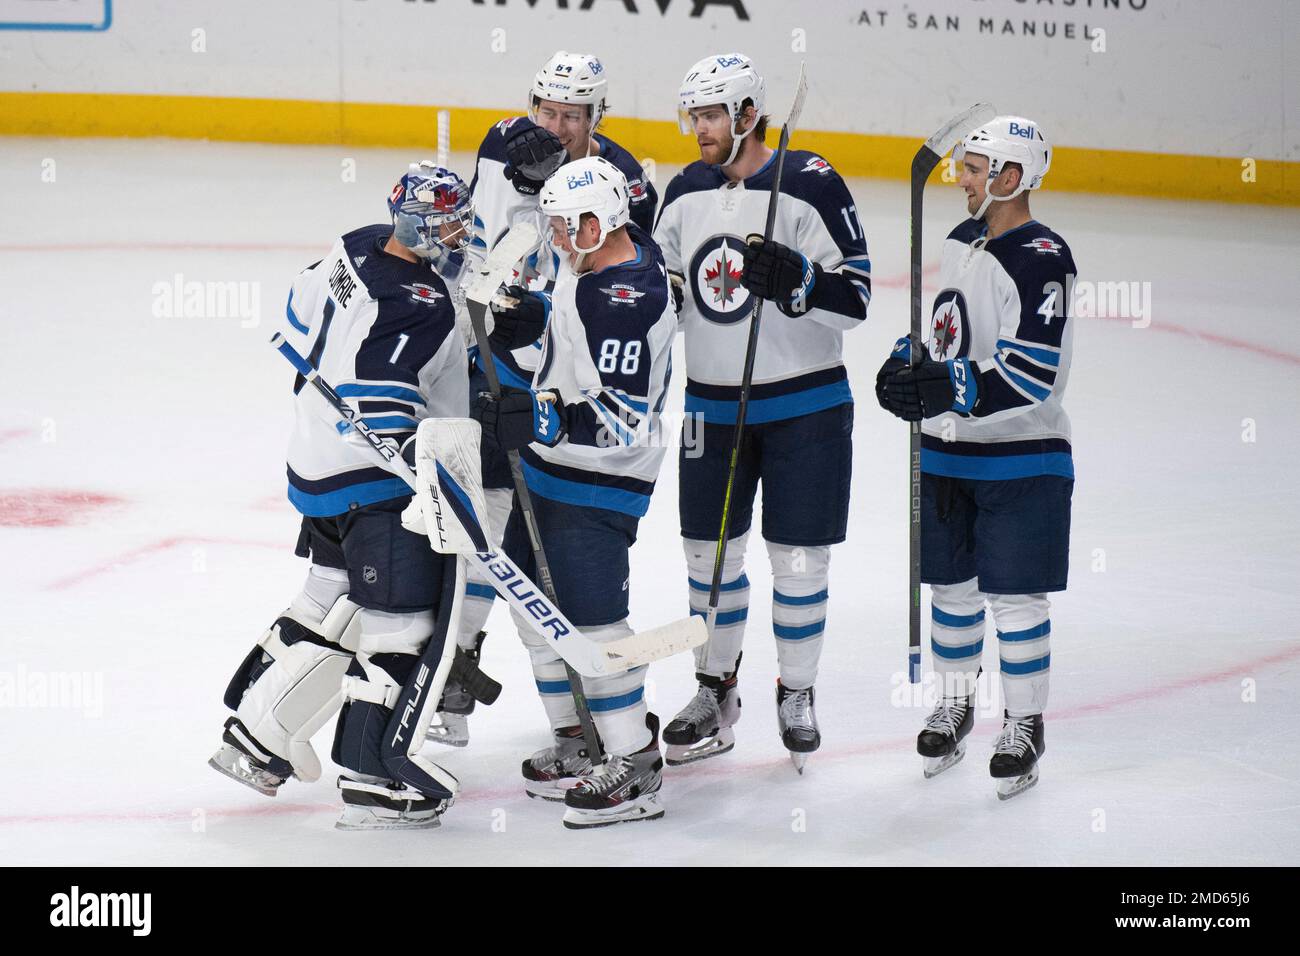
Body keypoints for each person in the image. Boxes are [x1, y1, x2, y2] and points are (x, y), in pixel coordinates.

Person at [208, 163, 475, 828]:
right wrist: (426, 463)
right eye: (447, 225)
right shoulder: (421, 303)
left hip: (315, 459)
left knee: (329, 597)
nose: (459, 235)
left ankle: (258, 737)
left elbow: (300, 311)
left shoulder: (356, 243)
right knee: (399, 626)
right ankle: (372, 777)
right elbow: (380, 399)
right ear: (416, 224)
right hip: (372, 480)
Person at [429, 51, 660, 748]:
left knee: (539, 559)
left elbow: (613, 275)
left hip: (562, 387)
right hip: (496, 358)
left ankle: (584, 723)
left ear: (597, 116)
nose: (555, 127)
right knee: (480, 528)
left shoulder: (625, 180)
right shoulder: (501, 144)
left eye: (571, 116)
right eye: (547, 111)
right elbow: (473, 248)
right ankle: (455, 670)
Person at [652, 53, 872, 770]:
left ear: (748, 115)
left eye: (712, 115)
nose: (699, 130)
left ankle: (797, 690)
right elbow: (663, 294)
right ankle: (714, 690)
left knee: (798, 561)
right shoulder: (683, 191)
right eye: (693, 116)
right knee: (706, 557)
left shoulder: (810, 182)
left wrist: (800, 281)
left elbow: (857, 298)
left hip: (806, 406)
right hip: (710, 408)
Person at [472, 156, 675, 828]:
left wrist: (540, 416)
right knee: (534, 606)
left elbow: (622, 418)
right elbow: (571, 345)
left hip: (600, 478)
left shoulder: (625, 299)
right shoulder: (593, 263)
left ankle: (634, 762)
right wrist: (533, 319)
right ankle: (577, 738)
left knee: (591, 620)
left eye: (564, 226)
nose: (555, 238)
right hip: (553, 466)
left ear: (598, 223)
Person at [876, 116, 1072, 800]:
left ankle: (1023, 724)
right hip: (948, 450)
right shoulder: (962, 239)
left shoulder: (1043, 256)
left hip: (1021, 456)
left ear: (1010, 177)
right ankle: (955, 704)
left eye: (973, 169)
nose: (960, 178)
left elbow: (1033, 374)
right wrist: (908, 364)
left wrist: (949, 386)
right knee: (952, 590)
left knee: (1014, 598)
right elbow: (946, 331)